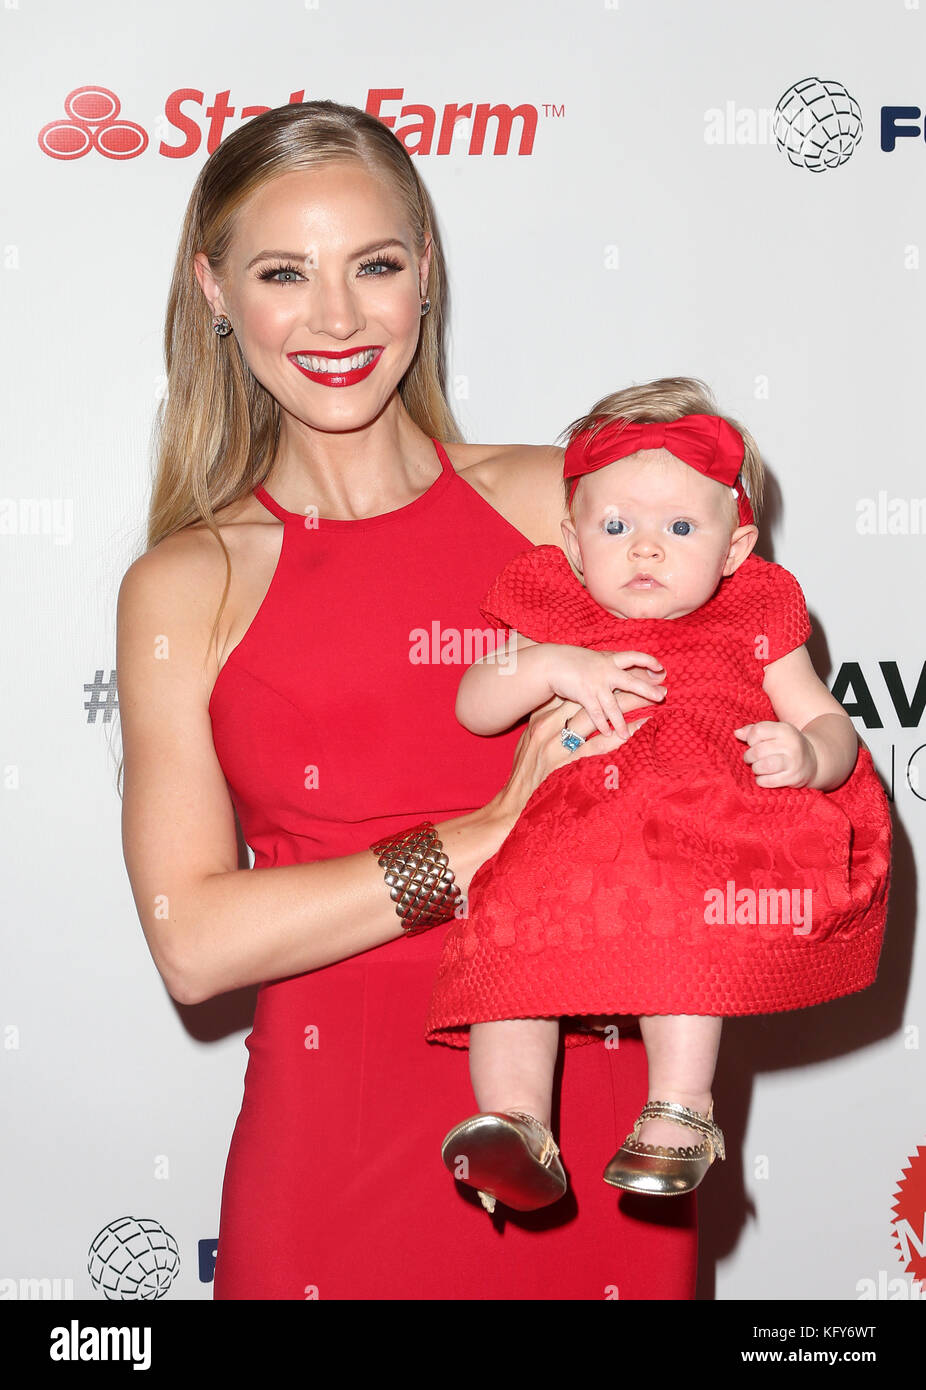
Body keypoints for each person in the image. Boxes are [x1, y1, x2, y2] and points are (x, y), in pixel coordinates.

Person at [116, 100, 696, 1300]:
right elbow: (192, 940)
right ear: (214, 290)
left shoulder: (563, 505)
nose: (335, 319)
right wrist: (479, 842)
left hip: (590, 1146)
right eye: (284, 272)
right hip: (327, 1173)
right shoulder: (189, 581)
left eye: (372, 265)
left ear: (423, 273)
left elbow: (720, 749)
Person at [426, 377, 892, 1215]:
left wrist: (808, 754)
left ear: (735, 548)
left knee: (688, 932)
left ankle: (681, 1106)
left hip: (695, 828)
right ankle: (513, 1122)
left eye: (679, 528)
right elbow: (472, 704)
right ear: (571, 543)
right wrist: (550, 665)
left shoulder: (757, 612)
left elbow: (831, 721)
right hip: (565, 841)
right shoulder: (553, 608)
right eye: (616, 527)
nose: (646, 550)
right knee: (506, 937)